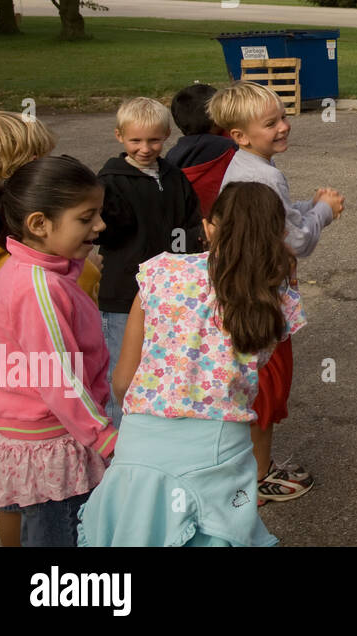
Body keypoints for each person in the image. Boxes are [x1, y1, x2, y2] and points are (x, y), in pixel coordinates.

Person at [78, 182, 302, 546]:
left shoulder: (158, 273)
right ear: (279, 233)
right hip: (218, 443)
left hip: (143, 439)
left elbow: (123, 380)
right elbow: (251, 373)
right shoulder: (277, 297)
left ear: (209, 227)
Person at [212, 80, 344, 504]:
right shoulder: (263, 176)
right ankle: (258, 478)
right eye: (271, 123)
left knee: (257, 388)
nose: (284, 127)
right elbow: (297, 241)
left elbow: (280, 220)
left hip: (248, 292)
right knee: (264, 389)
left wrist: (309, 206)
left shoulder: (246, 167)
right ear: (240, 135)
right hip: (262, 301)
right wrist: (325, 210)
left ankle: (252, 469)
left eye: (284, 117)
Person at [0, 112, 105, 547]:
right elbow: (57, 376)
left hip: (34, 429)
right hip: (54, 436)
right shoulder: (39, 285)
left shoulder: (28, 268)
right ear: (38, 222)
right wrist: (104, 435)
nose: (100, 227)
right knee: (61, 538)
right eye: (87, 218)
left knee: (37, 527)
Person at [97, 98, 203, 429]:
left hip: (171, 291)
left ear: (167, 135)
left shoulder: (175, 177)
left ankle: (156, 435)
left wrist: (187, 255)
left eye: (154, 140)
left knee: (166, 366)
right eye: (136, 141)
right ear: (119, 137)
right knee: (122, 375)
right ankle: (116, 449)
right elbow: (104, 233)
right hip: (123, 293)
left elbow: (190, 224)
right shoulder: (109, 181)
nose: (145, 148)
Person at [166, 83, 237, 218]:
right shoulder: (231, 149)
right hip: (226, 223)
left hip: (190, 227)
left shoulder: (171, 158)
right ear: (216, 118)